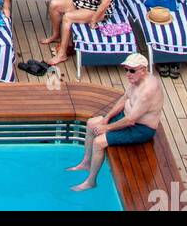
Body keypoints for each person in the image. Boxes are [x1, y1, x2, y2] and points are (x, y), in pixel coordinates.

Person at [68, 53, 163, 192]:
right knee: (91, 123)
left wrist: (106, 128)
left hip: (141, 129)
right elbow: (125, 98)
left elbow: (131, 121)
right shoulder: (136, 80)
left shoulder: (147, 91)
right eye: (126, 69)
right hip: (126, 118)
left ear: (143, 70)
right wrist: (107, 117)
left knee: (99, 143)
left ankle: (91, 181)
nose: (128, 74)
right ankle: (86, 162)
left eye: (132, 70)